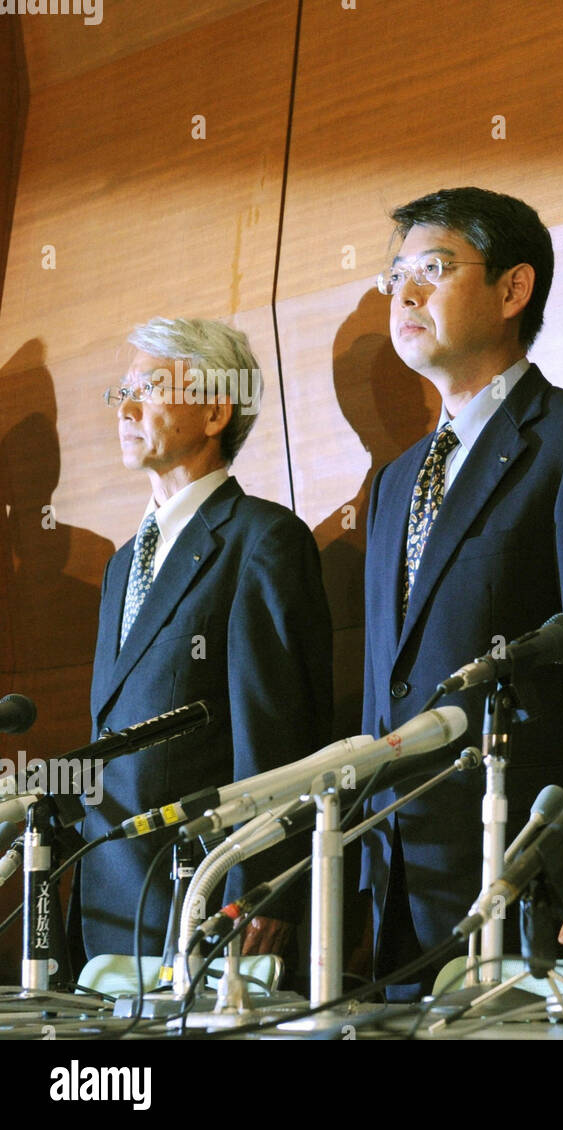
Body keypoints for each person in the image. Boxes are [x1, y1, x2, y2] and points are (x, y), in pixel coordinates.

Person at [360, 187, 563, 994]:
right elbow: (386, 681)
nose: (405, 293)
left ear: (512, 289)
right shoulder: (394, 483)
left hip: (538, 873)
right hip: (402, 875)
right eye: (396, 275)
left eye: (432, 269)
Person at [78, 317, 333, 962]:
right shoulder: (120, 564)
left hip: (209, 898)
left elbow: (276, 735)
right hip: (114, 901)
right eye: (121, 393)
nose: (126, 408)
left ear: (215, 411)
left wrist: (263, 886)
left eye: (149, 389)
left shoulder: (261, 541)